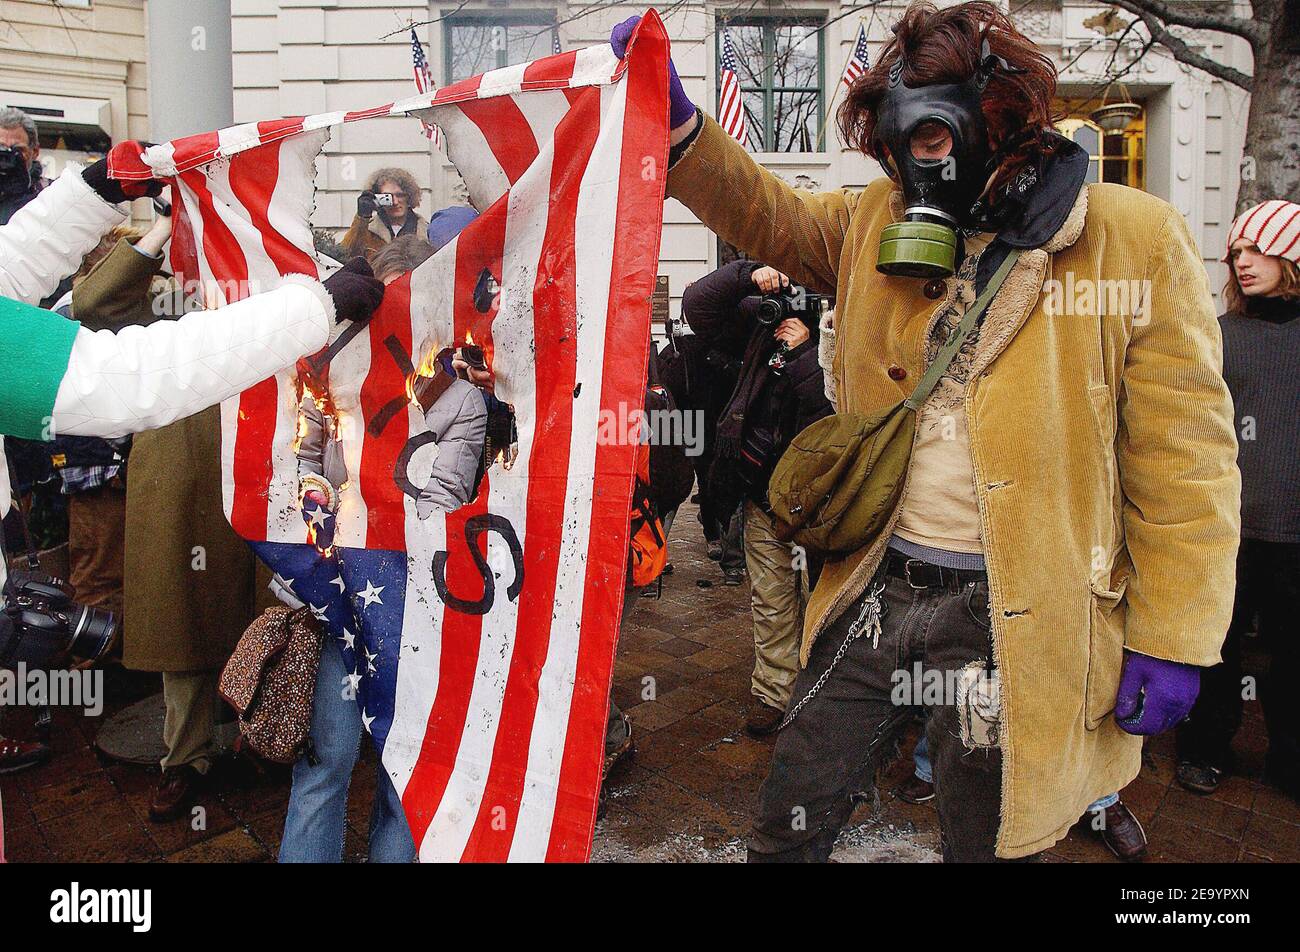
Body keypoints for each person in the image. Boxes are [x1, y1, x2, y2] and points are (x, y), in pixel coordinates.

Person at [611, 1, 1239, 862]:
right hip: (876, 586)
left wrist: (1175, 637)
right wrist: (683, 131)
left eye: (933, 142)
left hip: (1008, 614)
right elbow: (768, 214)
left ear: (1002, 117)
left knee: (983, 839)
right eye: (896, 148)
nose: (914, 167)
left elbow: (1187, 463)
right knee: (790, 815)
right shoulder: (878, 218)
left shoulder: (1131, 242)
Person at [0, 144, 386, 862]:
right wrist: (160, 231)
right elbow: (106, 338)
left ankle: (253, 735)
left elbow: (7, 264)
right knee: (183, 627)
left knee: (252, 623)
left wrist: (94, 191)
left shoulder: (277, 261)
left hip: (260, 475)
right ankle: (185, 763)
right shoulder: (163, 280)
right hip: (181, 482)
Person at [275, 218, 485, 864]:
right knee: (325, 762)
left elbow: (438, 508)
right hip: (335, 589)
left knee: (401, 772)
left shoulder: (461, 402)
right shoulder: (331, 375)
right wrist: (316, 515)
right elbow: (301, 462)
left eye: (411, 302)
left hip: (409, 603)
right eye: (386, 301)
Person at [1176, 200, 1300, 801]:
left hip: (1295, 533)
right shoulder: (1221, 335)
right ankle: (1204, 749)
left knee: (1291, 654)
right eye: (1237, 253)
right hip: (1227, 527)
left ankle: (1289, 758)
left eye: (1256, 250)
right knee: (1216, 647)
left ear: (1290, 254)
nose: (1242, 263)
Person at [681, 259, 832, 736]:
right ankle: (774, 694)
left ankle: (825, 697)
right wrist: (750, 275)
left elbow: (828, 412)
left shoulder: (841, 334)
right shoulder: (759, 326)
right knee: (770, 599)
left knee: (824, 599)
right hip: (762, 491)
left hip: (821, 498)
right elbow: (697, 307)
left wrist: (806, 351)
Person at [340, 167, 428, 260]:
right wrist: (362, 217)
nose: (395, 202)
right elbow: (344, 254)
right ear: (377, 198)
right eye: (387, 197)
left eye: (400, 195)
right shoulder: (368, 229)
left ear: (409, 196)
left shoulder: (426, 231)